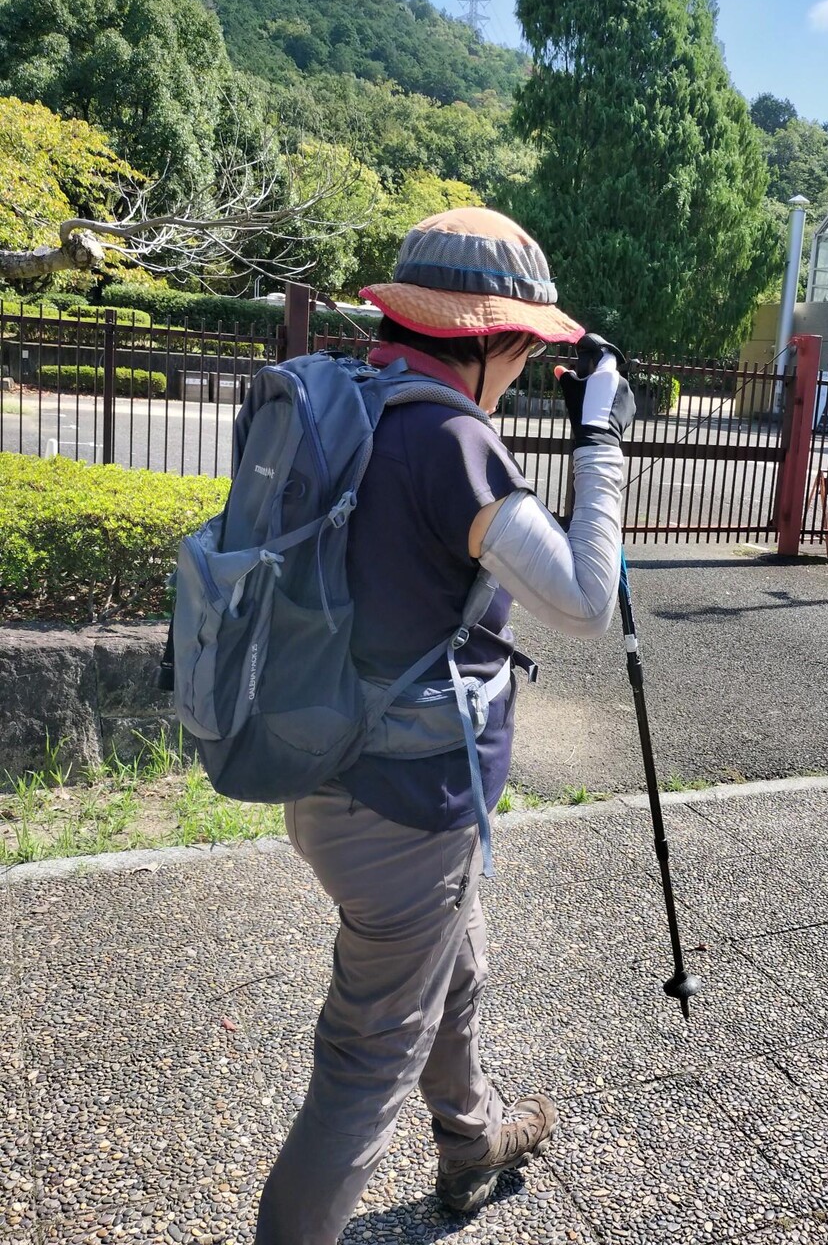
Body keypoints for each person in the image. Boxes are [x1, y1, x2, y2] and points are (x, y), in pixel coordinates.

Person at [255, 206, 634, 1245]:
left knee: (450, 969)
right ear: (494, 338)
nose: (523, 366)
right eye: (523, 346)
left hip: (328, 763)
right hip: (404, 807)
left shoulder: (356, 397)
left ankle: (472, 1146)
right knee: (362, 1070)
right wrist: (599, 435)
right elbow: (585, 597)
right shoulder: (450, 438)